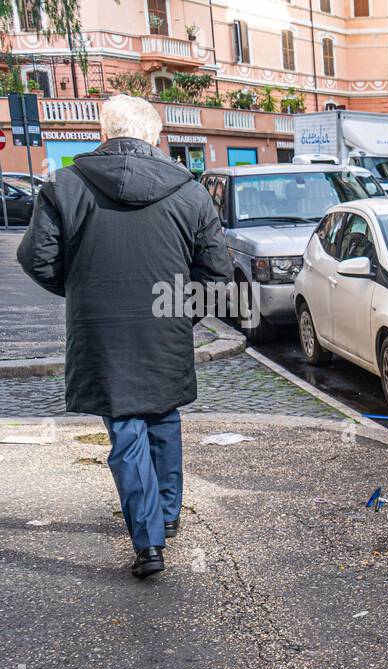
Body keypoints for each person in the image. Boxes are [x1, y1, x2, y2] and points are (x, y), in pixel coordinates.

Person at [17, 95, 232, 578]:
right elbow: (218, 276)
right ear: (154, 137)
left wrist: (78, 289)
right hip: (166, 323)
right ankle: (167, 517)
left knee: (126, 428)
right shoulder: (191, 191)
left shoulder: (64, 185)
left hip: (101, 329)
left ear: (104, 134)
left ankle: (148, 539)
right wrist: (180, 314)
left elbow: (37, 259)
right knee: (162, 418)